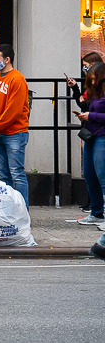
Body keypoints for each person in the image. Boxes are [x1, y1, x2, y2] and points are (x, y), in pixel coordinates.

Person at [0, 44, 30, 207]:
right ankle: (8, 210)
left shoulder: (17, 79)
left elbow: (14, 110)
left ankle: (22, 211)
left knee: (17, 174)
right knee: (2, 175)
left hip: (14, 133)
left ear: (7, 60)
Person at [75, 62, 105, 226]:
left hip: (102, 136)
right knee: (89, 175)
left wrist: (90, 116)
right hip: (91, 136)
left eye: (94, 79)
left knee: (102, 176)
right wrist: (84, 115)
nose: (92, 82)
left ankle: (98, 213)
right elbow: (87, 107)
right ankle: (96, 213)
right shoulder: (95, 93)